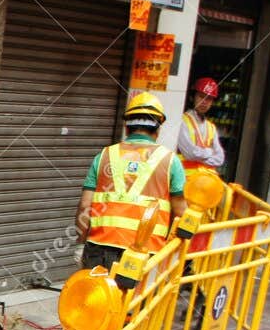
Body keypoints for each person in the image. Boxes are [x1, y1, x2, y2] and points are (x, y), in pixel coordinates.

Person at [77, 92, 188, 271]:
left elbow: (84, 205)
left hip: (99, 248)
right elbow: (181, 213)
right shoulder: (171, 161)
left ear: (127, 128)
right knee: (137, 300)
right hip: (146, 254)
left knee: (97, 297)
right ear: (158, 129)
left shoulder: (104, 156)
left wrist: (80, 244)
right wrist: (171, 251)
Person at [177, 76, 226, 172]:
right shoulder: (182, 121)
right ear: (192, 97)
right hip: (185, 179)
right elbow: (190, 153)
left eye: (209, 99)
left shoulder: (211, 127)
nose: (204, 102)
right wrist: (210, 152)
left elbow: (220, 158)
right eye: (201, 96)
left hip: (205, 180)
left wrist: (200, 156)